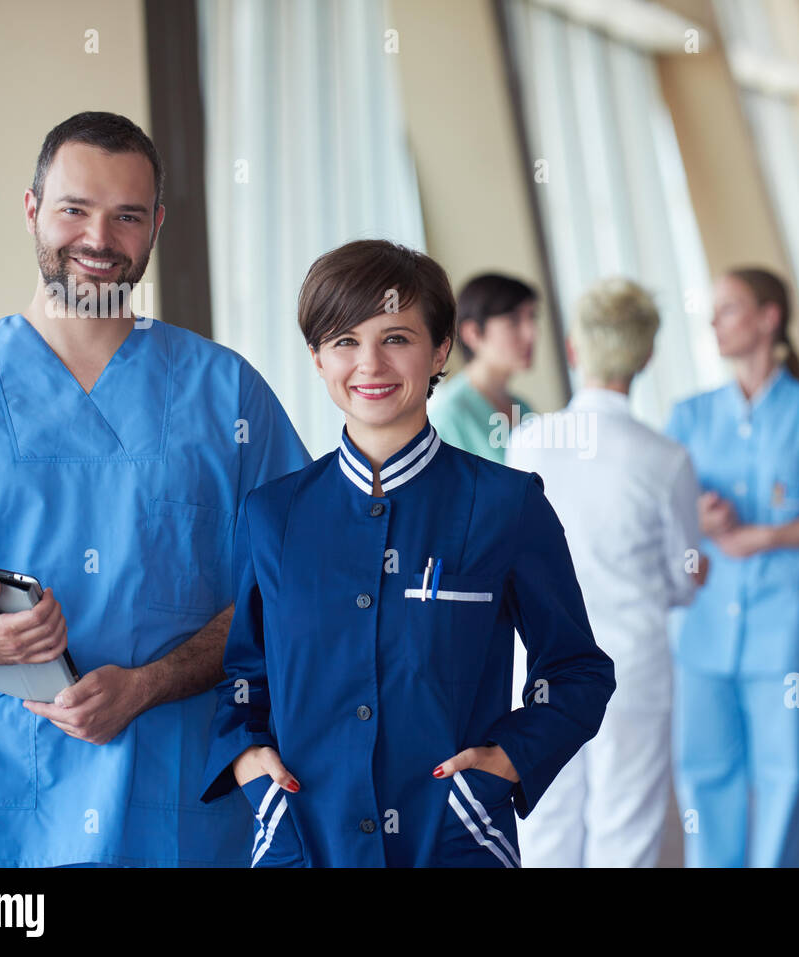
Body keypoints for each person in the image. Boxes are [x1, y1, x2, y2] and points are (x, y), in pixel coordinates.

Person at [0, 112, 310, 867]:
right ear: (31, 210)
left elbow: (295, 585)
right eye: (74, 210)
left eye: (125, 216)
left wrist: (151, 683)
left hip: (173, 815)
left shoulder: (227, 397)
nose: (98, 240)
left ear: (155, 225)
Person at [199, 239, 616, 867]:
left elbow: (578, 670)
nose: (370, 364)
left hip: (452, 842)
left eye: (396, 338)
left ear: (440, 349)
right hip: (306, 843)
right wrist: (250, 765)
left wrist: (506, 763)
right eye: (344, 341)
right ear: (316, 358)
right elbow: (244, 676)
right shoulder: (272, 514)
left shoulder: (507, 504)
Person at [665, 268, 799, 868]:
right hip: (702, 633)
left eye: (727, 308)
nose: (714, 322)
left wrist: (768, 535)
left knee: (784, 778)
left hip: (787, 632)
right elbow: (668, 517)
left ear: (768, 317)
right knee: (703, 775)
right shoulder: (689, 416)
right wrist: (704, 517)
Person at [507, 277, 705, 867]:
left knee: (545, 823)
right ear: (646, 355)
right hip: (630, 665)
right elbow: (682, 575)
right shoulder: (666, 458)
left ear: (573, 349)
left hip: (538, 663)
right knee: (627, 823)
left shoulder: (528, 442)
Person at [427, 273, 537, 463]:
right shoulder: (448, 417)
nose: (531, 333)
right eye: (513, 321)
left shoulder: (523, 408)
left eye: (532, 317)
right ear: (473, 333)